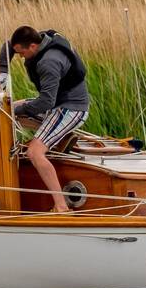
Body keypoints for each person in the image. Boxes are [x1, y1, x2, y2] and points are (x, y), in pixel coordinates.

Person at [6, 25, 91, 213]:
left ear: (33, 47)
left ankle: (61, 206)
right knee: (7, 110)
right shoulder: (43, 38)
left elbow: (45, 102)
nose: (20, 57)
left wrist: (21, 108)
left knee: (34, 153)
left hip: (71, 109)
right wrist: (2, 71)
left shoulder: (48, 63)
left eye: (21, 53)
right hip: (58, 106)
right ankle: (52, 138)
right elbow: (8, 46)